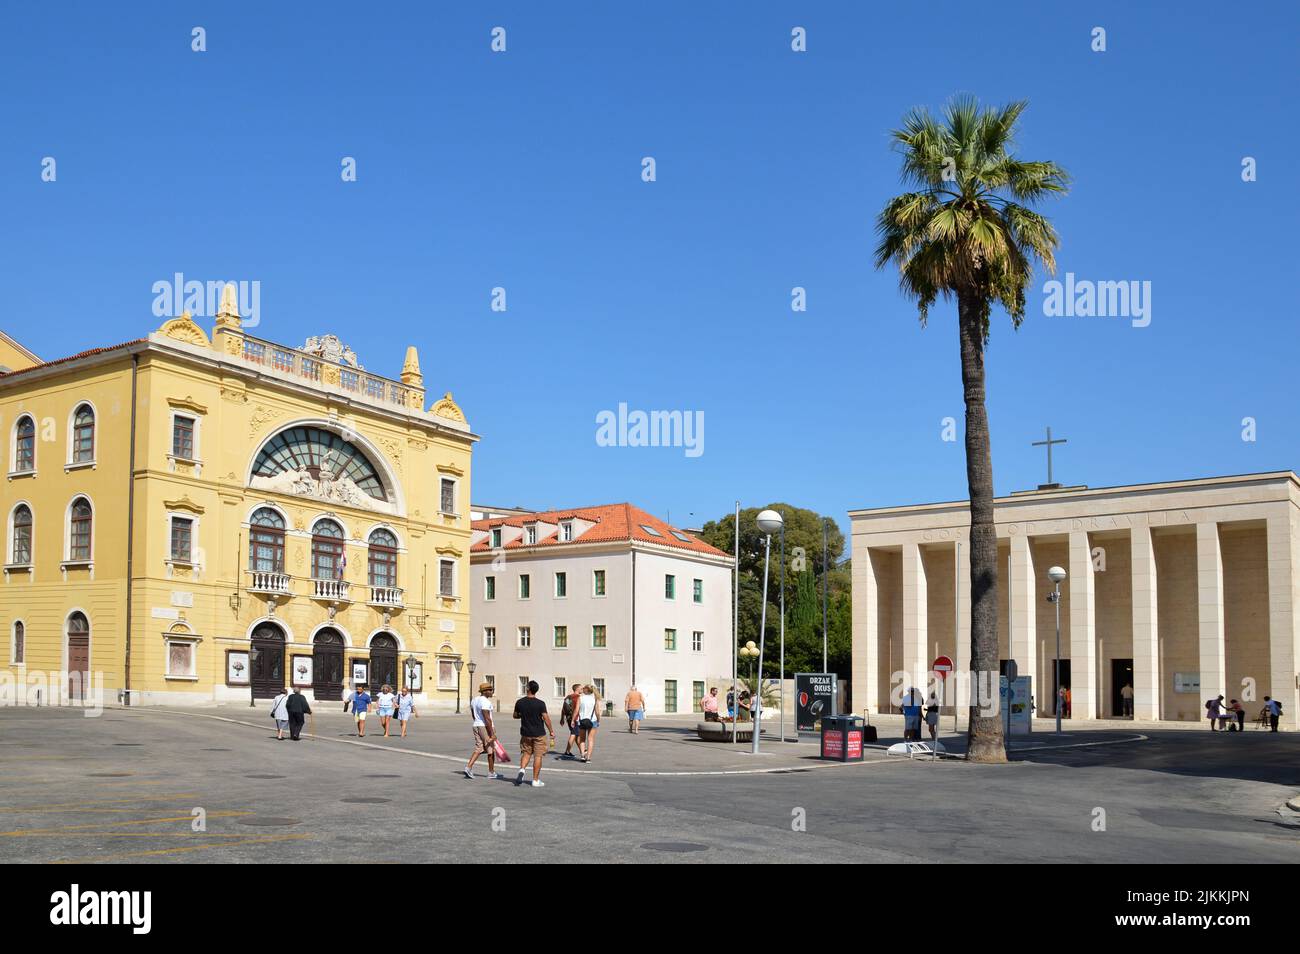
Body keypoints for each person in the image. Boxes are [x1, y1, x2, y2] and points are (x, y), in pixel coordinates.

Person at [512, 680, 555, 787]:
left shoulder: (520, 702)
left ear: (528, 689)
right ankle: (535, 780)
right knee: (538, 756)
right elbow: (546, 718)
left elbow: (515, 715)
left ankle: (522, 770)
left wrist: (524, 715)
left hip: (525, 733)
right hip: (539, 733)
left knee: (526, 753)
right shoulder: (540, 703)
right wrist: (551, 731)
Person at [464, 682, 502, 779]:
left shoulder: (474, 700)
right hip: (485, 726)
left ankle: (468, 767)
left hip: (476, 725)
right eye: (490, 690)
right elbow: (487, 718)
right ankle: (491, 772)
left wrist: (478, 722)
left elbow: (473, 715)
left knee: (479, 748)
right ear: (484, 691)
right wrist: (492, 733)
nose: (492, 692)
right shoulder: (485, 702)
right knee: (490, 750)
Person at [576, 684, 600, 762]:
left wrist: (573, 719)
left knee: (582, 739)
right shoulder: (595, 699)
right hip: (593, 720)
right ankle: (588, 758)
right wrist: (598, 720)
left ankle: (583, 755)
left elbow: (576, 710)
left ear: (585, 690)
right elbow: (597, 712)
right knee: (590, 739)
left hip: (582, 720)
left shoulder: (581, 698)